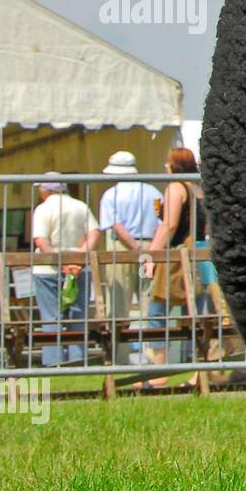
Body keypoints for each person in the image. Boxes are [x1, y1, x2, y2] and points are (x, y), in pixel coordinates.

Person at [142, 148, 208, 372]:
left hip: (176, 258)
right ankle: (198, 369)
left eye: (168, 162)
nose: (165, 166)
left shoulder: (175, 187)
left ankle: (159, 369)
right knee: (195, 314)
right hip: (198, 254)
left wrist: (152, 254)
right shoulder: (198, 189)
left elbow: (169, 225)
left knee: (156, 311)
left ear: (175, 166)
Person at [97, 151, 162, 365]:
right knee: (148, 302)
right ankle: (152, 357)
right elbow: (162, 221)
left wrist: (135, 249)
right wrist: (149, 251)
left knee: (119, 304)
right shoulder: (152, 190)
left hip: (123, 249)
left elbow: (116, 225)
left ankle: (119, 358)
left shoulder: (111, 194)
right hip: (151, 247)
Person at [31, 172, 99, 367]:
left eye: (41, 188)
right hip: (78, 269)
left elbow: (41, 240)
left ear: (46, 190)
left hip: (47, 270)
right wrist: (78, 259)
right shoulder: (81, 206)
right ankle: (79, 361)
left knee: (51, 317)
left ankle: (54, 363)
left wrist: (60, 262)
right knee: (78, 314)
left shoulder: (43, 209)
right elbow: (94, 232)